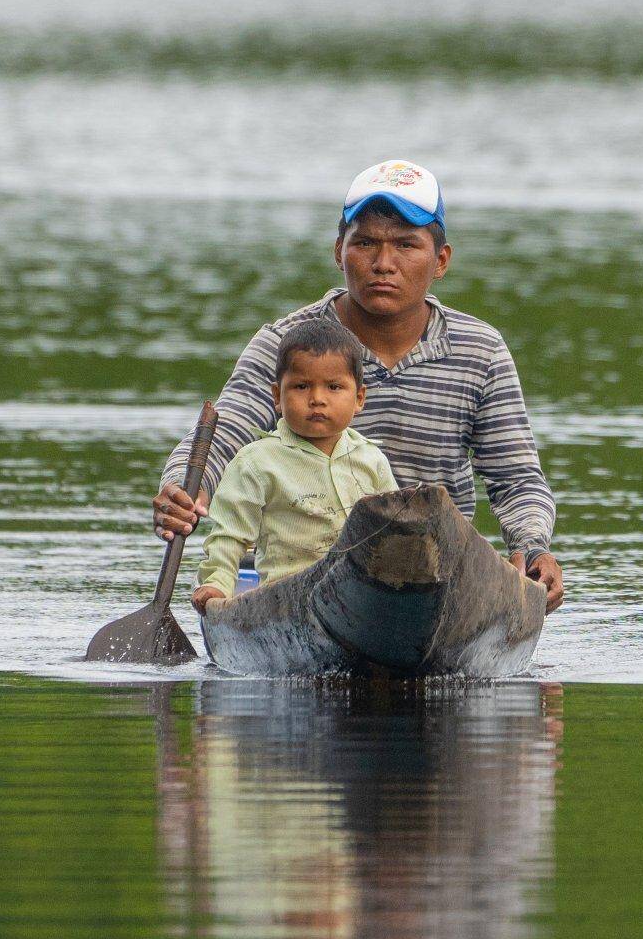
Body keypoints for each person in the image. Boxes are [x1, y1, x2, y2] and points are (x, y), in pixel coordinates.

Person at [155, 160, 566, 610]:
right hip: (304, 568)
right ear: (339, 252)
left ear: (440, 261)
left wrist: (533, 547)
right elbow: (223, 435)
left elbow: (516, 478)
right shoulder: (287, 343)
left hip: (434, 571)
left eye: (406, 245)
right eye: (366, 243)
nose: (384, 264)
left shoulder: (480, 351)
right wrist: (184, 489)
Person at [189, 323, 398, 611]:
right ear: (277, 396)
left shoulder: (372, 459)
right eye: (301, 386)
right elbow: (229, 535)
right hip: (286, 603)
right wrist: (218, 584)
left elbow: (393, 532)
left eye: (334, 387)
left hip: (359, 599)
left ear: (359, 398)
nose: (317, 399)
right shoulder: (257, 463)